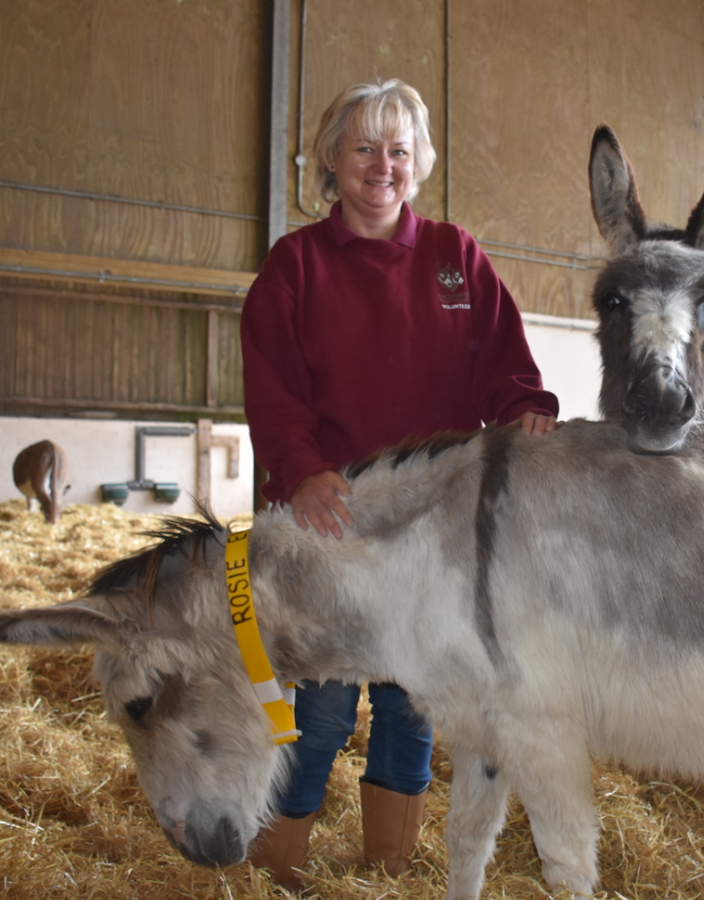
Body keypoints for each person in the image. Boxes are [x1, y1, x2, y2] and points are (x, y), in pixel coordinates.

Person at [239, 78, 559, 890]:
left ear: (417, 166)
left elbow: (506, 368)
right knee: (318, 709)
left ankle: (385, 868)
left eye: (399, 150)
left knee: (413, 706)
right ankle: (278, 866)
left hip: (431, 529)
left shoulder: (457, 258)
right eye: (364, 149)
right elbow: (272, 387)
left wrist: (525, 410)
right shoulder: (295, 266)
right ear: (332, 162)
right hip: (330, 525)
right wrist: (304, 472)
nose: (383, 165)